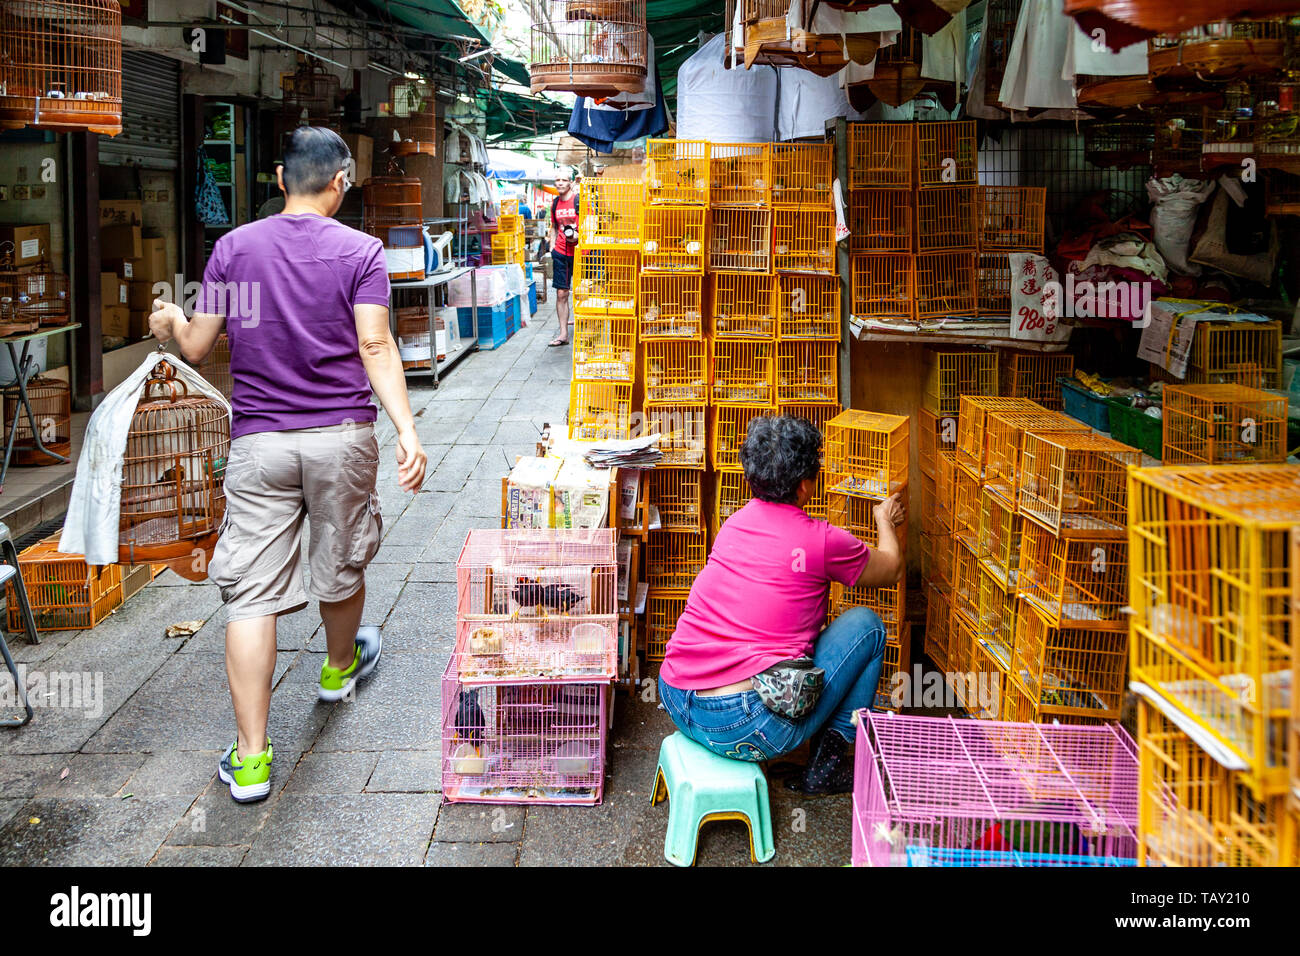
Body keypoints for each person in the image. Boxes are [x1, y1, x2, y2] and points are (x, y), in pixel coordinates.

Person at [148, 127, 428, 804]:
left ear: (279, 178)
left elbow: (196, 343)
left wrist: (166, 323)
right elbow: (375, 344)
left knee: (251, 594)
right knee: (341, 560)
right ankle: (336, 672)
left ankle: (250, 762)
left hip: (261, 445)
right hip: (341, 438)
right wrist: (406, 429)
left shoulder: (235, 251)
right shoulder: (360, 252)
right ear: (338, 183)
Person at [658, 416, 904, 795]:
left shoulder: (733, 524)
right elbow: (892, 568)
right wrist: (883, 519)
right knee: (867, 626)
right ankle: (828, 766)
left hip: (675, 697)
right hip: (743, 724)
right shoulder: (822, 540)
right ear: (806, 485)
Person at [547, 167, 579, 347]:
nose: (560, 183)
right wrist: (552, 245)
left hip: (581, 253)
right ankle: (563, 334)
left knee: (583, 293)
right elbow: (553, 226)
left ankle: (586, 331)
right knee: (561, 293)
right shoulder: (555, 203)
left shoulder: (578, 201)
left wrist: (577, 236)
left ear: (571, 183)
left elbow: (590, 225)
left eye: (564, 180)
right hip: (561, 252)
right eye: (557, 180)